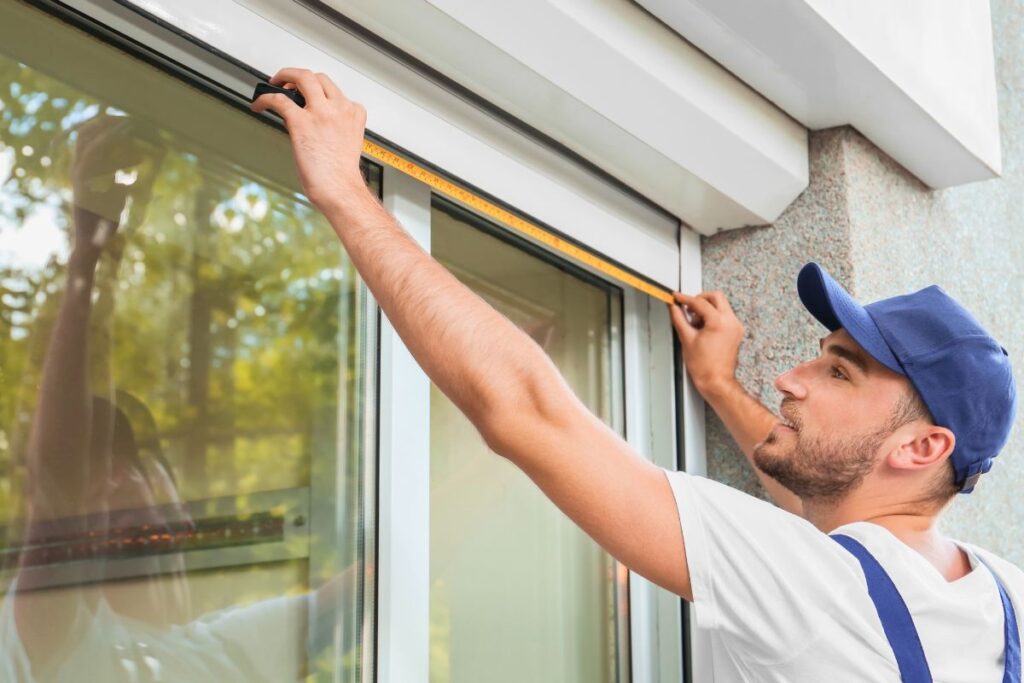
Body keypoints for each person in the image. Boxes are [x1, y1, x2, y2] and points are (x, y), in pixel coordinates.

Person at [252, 68, 1020, 681]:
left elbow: (525, 409)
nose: (790, 378)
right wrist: (720, 387)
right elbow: (826, 488)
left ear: (921, 448)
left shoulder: (818, 586)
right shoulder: (1001, 594)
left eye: (840, 374)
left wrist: (345, 191)